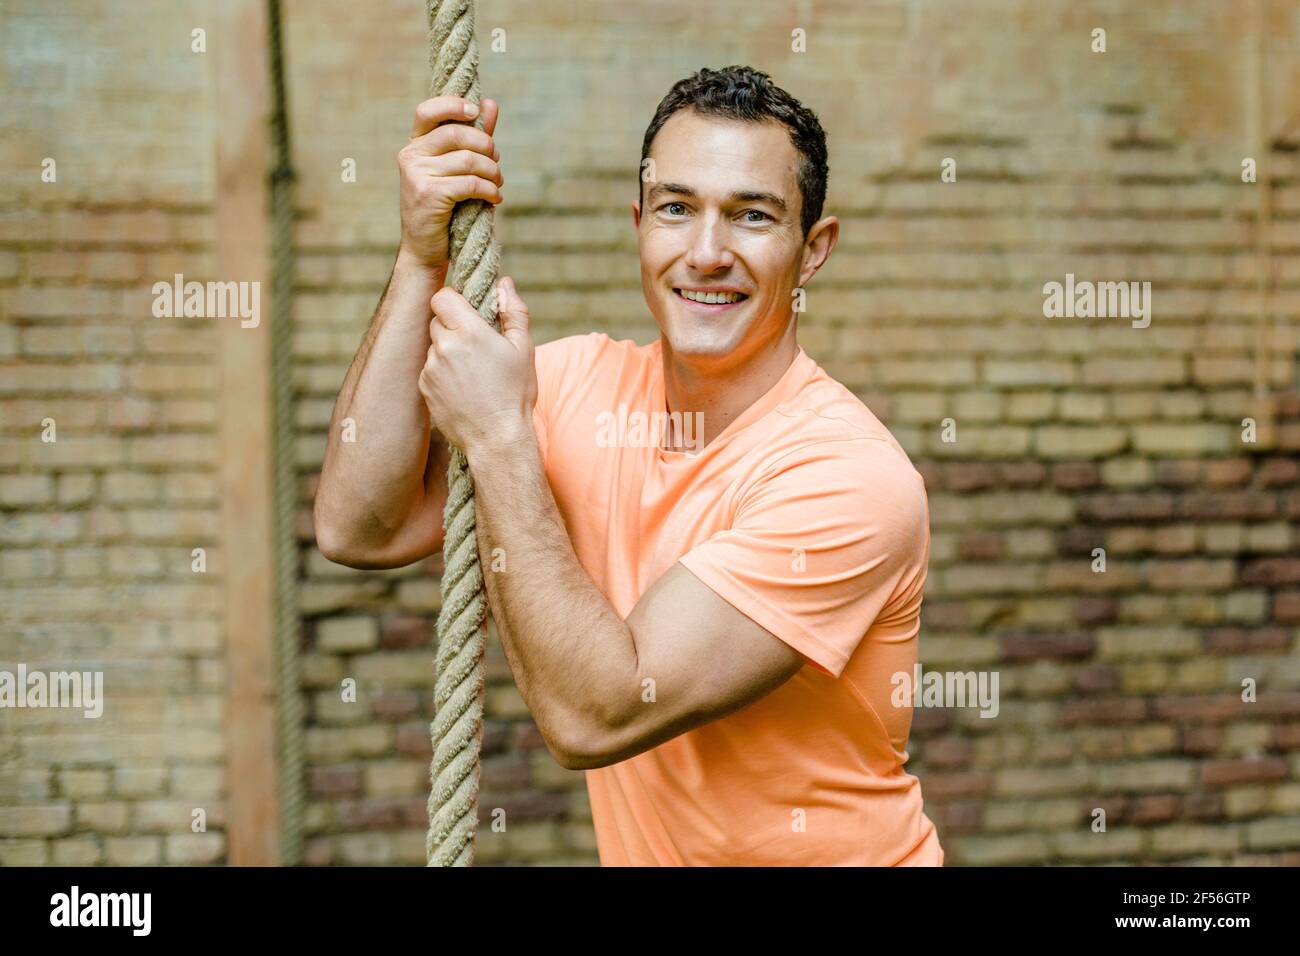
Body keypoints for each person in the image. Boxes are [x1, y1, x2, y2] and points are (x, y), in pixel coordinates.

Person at [314, 64, 943, 866]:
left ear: (812, 249)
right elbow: (358, 524)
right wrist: (417, 258)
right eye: (678, 209)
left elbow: (596, 714)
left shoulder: (849, 479)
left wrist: (501, 439)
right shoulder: (577, 386)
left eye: (752, 216)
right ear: (639, 221)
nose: (707, 253)